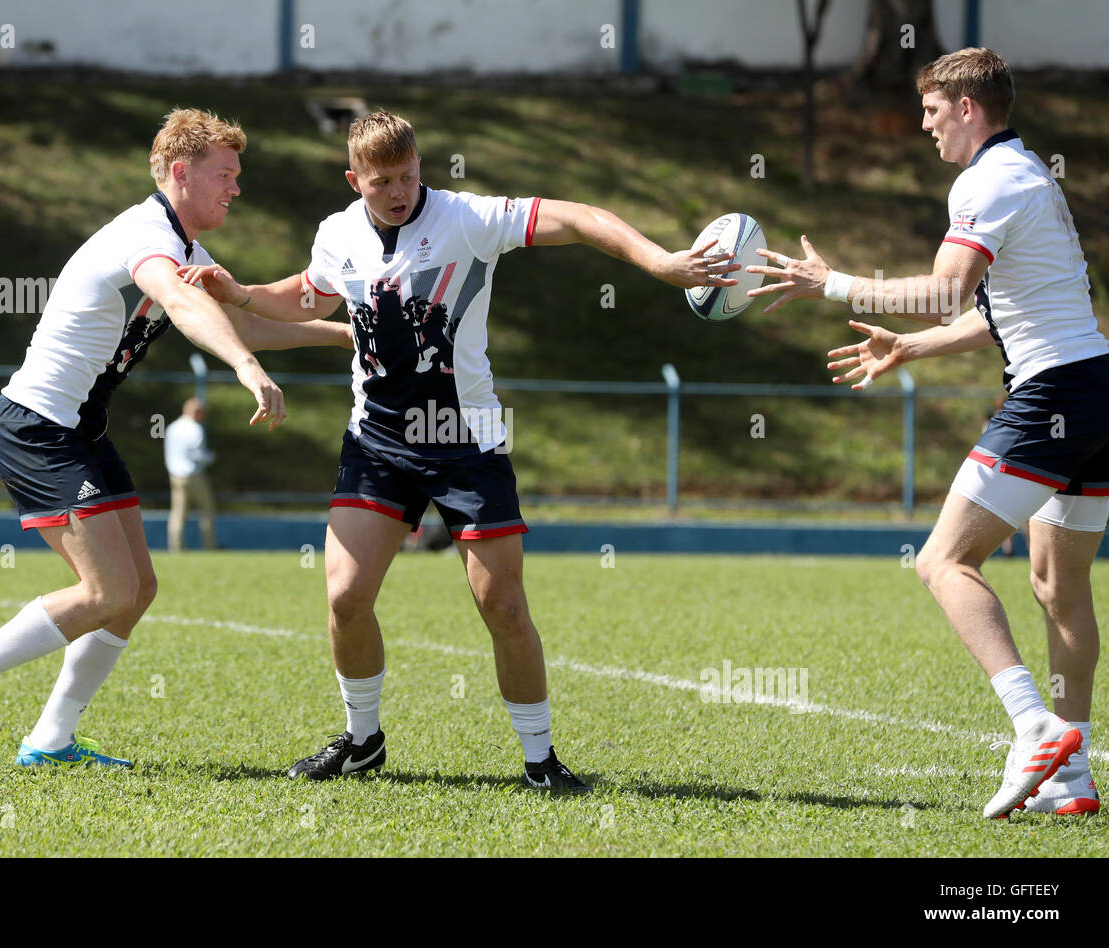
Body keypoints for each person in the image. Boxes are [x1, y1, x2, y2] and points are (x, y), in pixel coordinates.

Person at [178, 110, 738, 790]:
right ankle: (362, 740)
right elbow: (307, 296)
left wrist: (660, 261)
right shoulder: (337, 233)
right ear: (354, 179)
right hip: (377, 440)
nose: (398, 192)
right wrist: (239, 292)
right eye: (382, 182)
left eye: (409, 177)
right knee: (345, 596)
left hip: (466, 439)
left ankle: (540, 760)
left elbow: (581, 216)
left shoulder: (467, 218)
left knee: (501, 605)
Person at [0, 108, 353, 771]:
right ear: (181, 173)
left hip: (80, 430)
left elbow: (246, 322)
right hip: (37, 429)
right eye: (224, 175)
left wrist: (347, 337)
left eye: (237, 176)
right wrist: (245, 369)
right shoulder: (146, 236)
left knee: (137, 587)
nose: (235, 189)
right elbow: (178, 301)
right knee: (106, 590)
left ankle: (51, 739)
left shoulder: (185, 248)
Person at [749, 48, 1106, 818]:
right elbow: (1002, 309)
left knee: (944, 560)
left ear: (968, 107)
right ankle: (1073, 781)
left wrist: (831, 283)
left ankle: (1033, 725)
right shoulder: (1029, 171)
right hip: (1096, 391)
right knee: (1057, 583)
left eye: (932, 109)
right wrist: (911, 347)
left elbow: (947, 287)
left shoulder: (986, 180)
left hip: (1053, 396)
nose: (923, 124)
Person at [165, 397, 218, 551]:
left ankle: (176, 548)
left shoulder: (172, 427)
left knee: (178, 513)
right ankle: (209, 546)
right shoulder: (195, 428)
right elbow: (197, 454)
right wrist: (211, 457)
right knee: (207, 511)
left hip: (175, 476)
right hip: (194, 475)